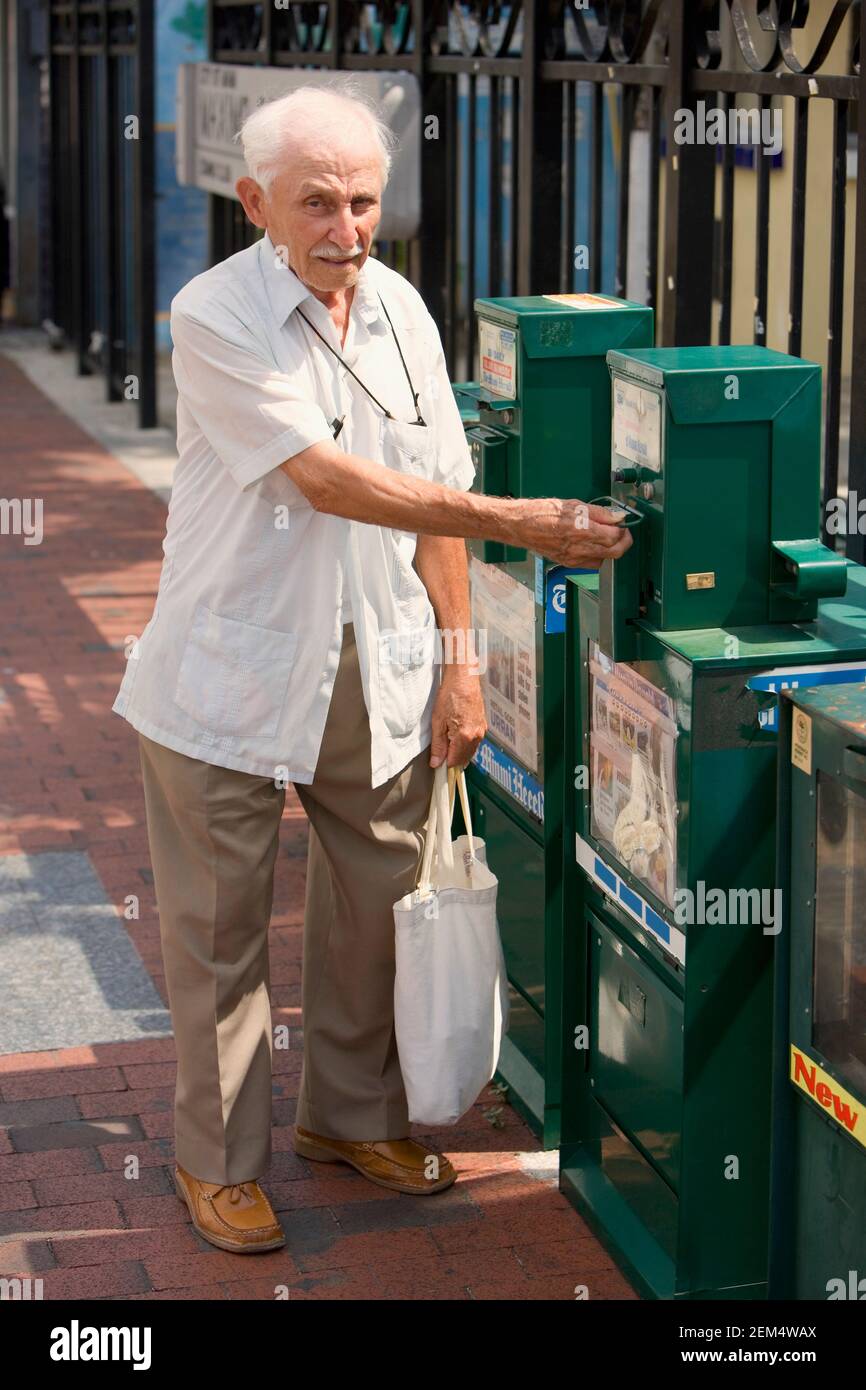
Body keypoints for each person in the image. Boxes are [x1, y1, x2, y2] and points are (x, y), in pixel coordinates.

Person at [111, 79, 632, 1255]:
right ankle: (220, 1162)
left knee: (377, 908)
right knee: (217, 934)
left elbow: (430, 498)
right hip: (223, 672)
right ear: (253, 202)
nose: (345, 230)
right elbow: (325, 478)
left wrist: (457, 661)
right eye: (316, 203)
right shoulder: (213, 313)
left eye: (363, 201)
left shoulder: (399, 305)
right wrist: (528, 520)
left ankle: (348, 1120)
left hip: (377, 657)